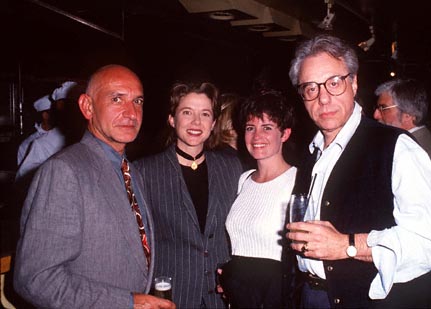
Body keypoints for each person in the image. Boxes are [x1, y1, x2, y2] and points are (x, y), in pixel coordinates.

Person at [286, 34, 431, 308]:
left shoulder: (396, 147)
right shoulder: (311, 154)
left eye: (334, 83)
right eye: (311, 88)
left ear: (353, 83)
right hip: (310, 297)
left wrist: (348, 245)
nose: (323, 98)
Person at [13, 64, 175, 309]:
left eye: (138, 101)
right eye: (117, 99)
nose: (131, 112)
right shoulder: (64, 171)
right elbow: (35, 279)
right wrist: (127, 303)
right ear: (87, 107)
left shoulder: (132, 171)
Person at [135, 82, 243, 308]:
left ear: (213, 123)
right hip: (172, 296)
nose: (196, 122)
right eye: (187, 112)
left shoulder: (231, 167)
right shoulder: (144, 172)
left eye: (205, 114)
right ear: (172, 119)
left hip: (221, 297)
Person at [221, 90, 296, 308]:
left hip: (274, 298)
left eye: (267, 128)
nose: (256, 137)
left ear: (285, 134)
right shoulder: (243, 179)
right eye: (250, 128)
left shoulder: (297, 181)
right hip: (239, 297)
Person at [373, 78, 431, 176]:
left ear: (408, 114)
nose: (376, 115)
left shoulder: (420, 152)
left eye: (383, 108)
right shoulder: (406, 143)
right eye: (377, 108)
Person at [15, 94, 66, 182]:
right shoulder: (29, 144)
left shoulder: (66, 136)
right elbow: (24, 179)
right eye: (55, 113)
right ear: (45, 115)